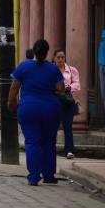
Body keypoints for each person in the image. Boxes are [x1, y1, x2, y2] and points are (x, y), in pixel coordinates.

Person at [6, 38, 67, 186]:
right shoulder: (53, 69)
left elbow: (14, 87)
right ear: (47, 53)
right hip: (50, 109)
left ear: (34, 51)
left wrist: (11, 103)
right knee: (48, 142)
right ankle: (48, 175)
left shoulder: (24, 66)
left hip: (28, 108)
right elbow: (61, 89)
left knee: (32, 142)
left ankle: (33, 176)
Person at [53, 48, 81, 158]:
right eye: (58, 57)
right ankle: (51, 148)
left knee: (68, 127)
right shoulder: (51, 70)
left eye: (62, 57)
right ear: (54, 58)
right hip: (54, 101)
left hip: (67, 101)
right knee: (53, 126)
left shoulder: (71, 70)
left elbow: (77, 84)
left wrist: (69, 87)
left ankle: (69, 149)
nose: (60, 59)